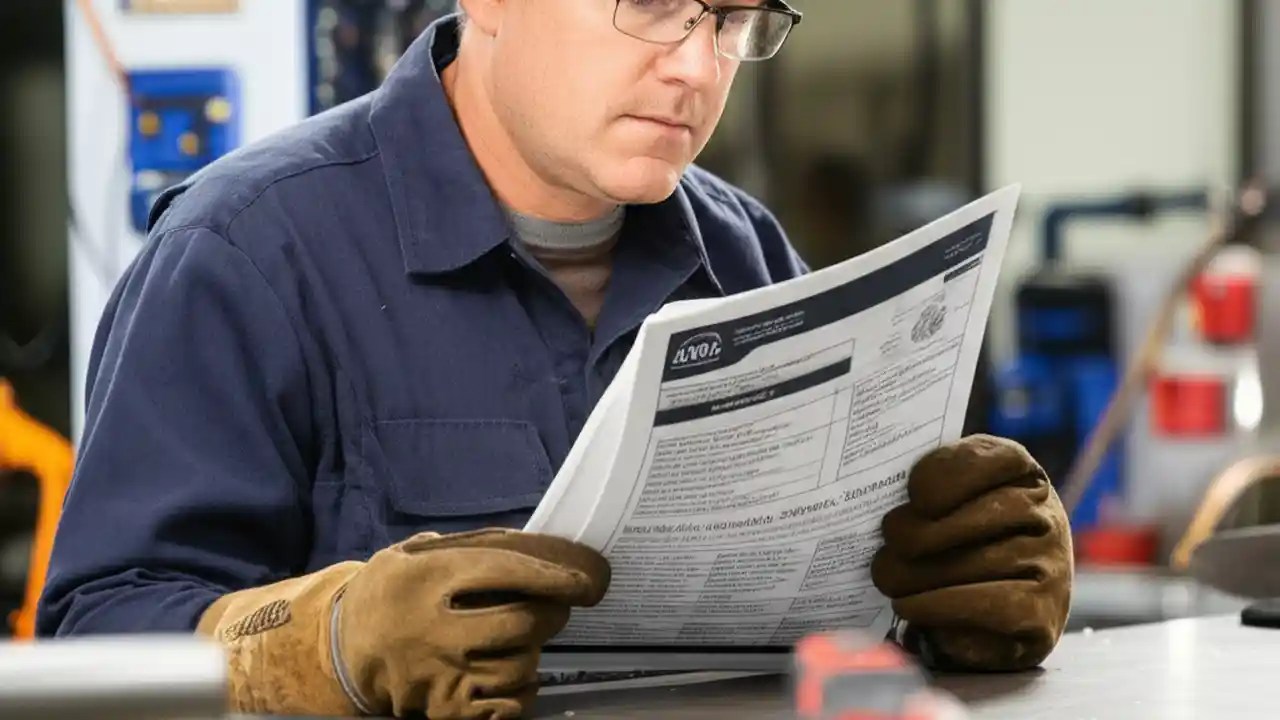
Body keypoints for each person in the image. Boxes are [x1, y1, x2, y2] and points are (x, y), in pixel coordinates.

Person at [38, 2, 1072, 718]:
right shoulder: (245, 252)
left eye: (730, 20)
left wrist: (953, 600)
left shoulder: (740, 253)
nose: (695, 66)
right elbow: (97, 645)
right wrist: (326, 644)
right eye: (653, 3)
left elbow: (824, 611)